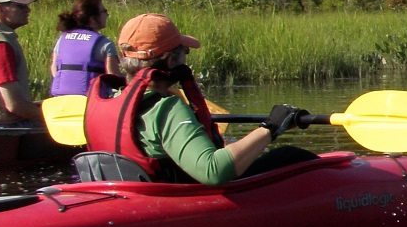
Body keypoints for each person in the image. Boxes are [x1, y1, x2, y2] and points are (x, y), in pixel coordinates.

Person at [83, 13, 315, 184]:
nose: (186, 58)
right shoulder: (165, 108)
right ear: (172, 60)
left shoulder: (111, 99)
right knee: (291, 156)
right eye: (184, 52)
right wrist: (271, 127)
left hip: (123, 197)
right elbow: (213, 171)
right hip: (173, 206)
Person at [50, 0, 120, 96]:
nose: (107, 15)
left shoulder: (62, 39)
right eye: (104, 11)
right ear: (92, 18)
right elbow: (114, 78)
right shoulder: (105, 43)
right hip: (91, 102)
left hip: (61, 99)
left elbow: (54, 69)